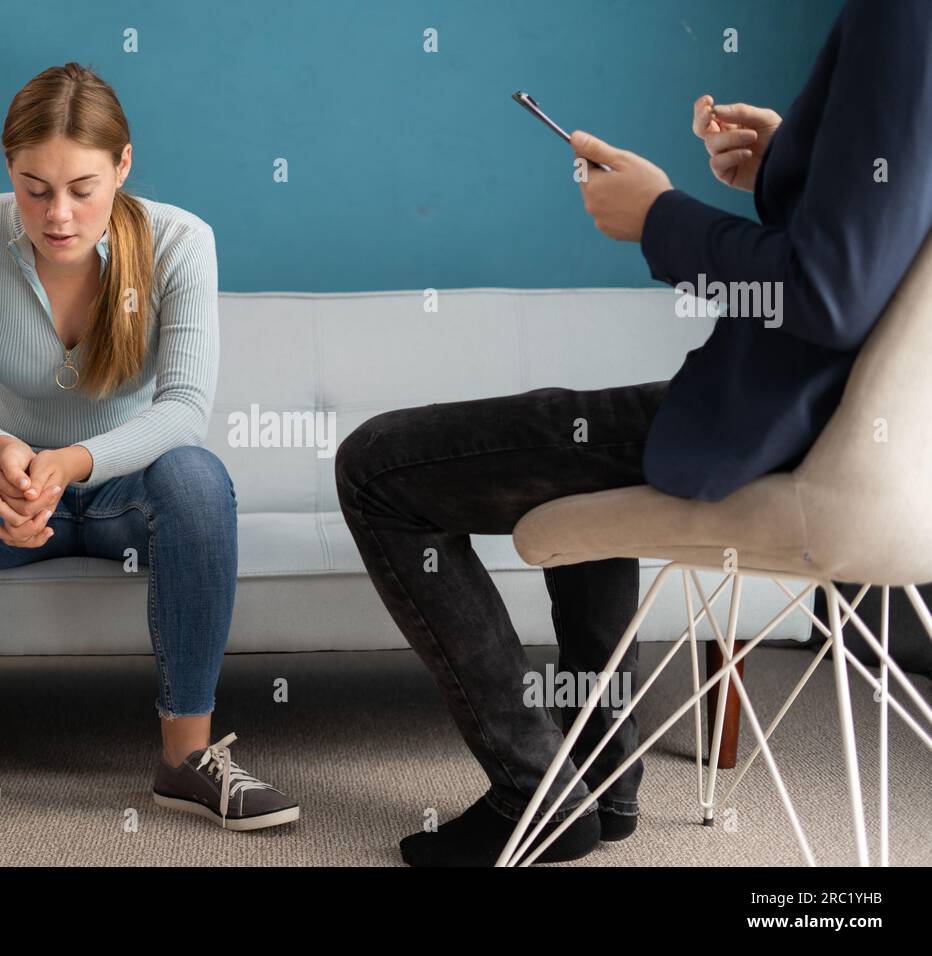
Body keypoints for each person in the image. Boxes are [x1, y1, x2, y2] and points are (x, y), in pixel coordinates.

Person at [336, 0, 932, 866]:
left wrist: (659, 217)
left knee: (375, 467)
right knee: (564, 434)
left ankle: (531, 793)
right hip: (845, 439)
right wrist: (788, 166)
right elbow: (874, 236)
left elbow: (831, 294)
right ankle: (600, 782)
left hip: (775, 427)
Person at [0, 63, 298, 836]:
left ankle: (187, 758)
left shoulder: (179, 242)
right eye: (35, 188)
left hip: (126, 497)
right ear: (8, 167)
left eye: (83, 187)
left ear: (124, 165)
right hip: (10, 491)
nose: (58, 214)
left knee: (198, 479)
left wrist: (69, 464)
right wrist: (4, 454)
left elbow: (183, 411)